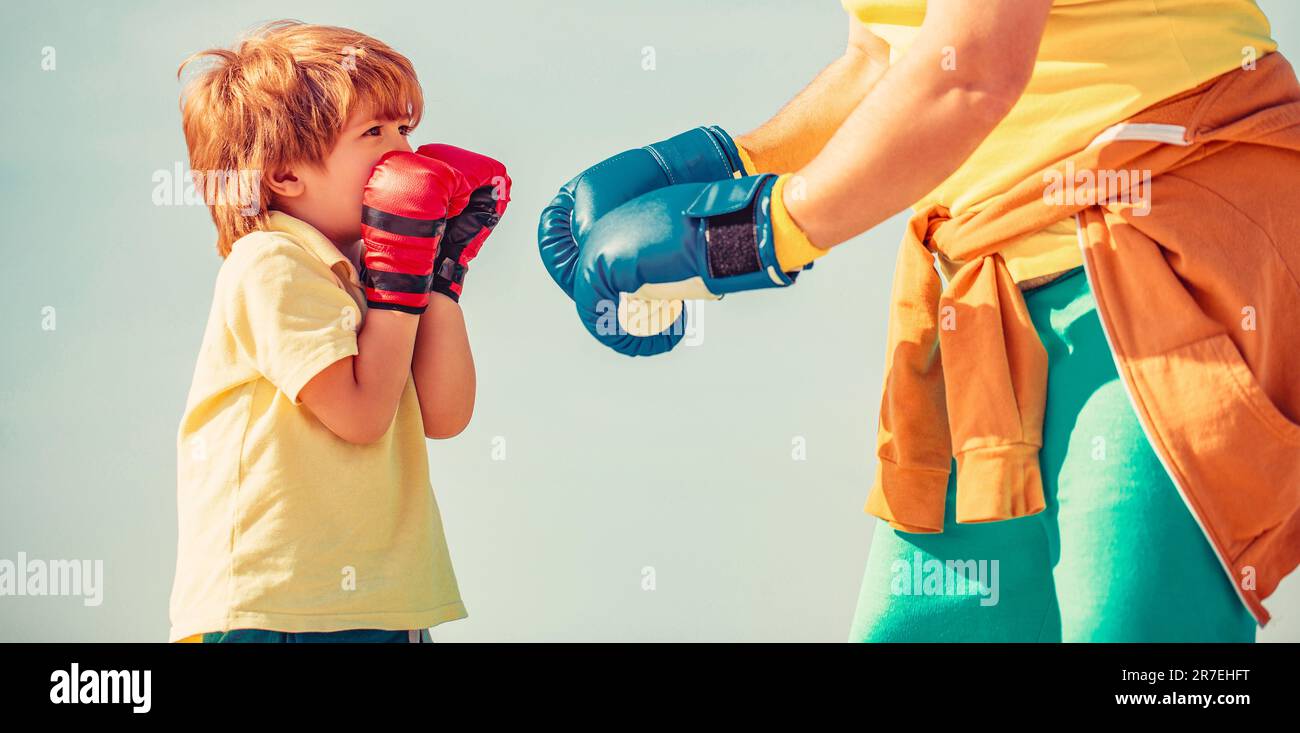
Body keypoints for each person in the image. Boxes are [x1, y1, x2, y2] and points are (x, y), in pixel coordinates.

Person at [538, 0, 1300, 641]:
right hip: (985, 297)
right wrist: (725, 163)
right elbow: (891, 58)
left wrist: (739, 234)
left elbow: (972, 72)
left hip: (1157, 253)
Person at [169, 21, 509, 643]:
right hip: (277, 606)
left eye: (406, 127)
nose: (404, 150)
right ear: (284, 175)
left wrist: (440, 274)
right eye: (373, 132)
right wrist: (402, 285)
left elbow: (447, 413)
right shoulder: (270, 261)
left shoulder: (370, 279)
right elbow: (360, 415)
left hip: (386, 601)